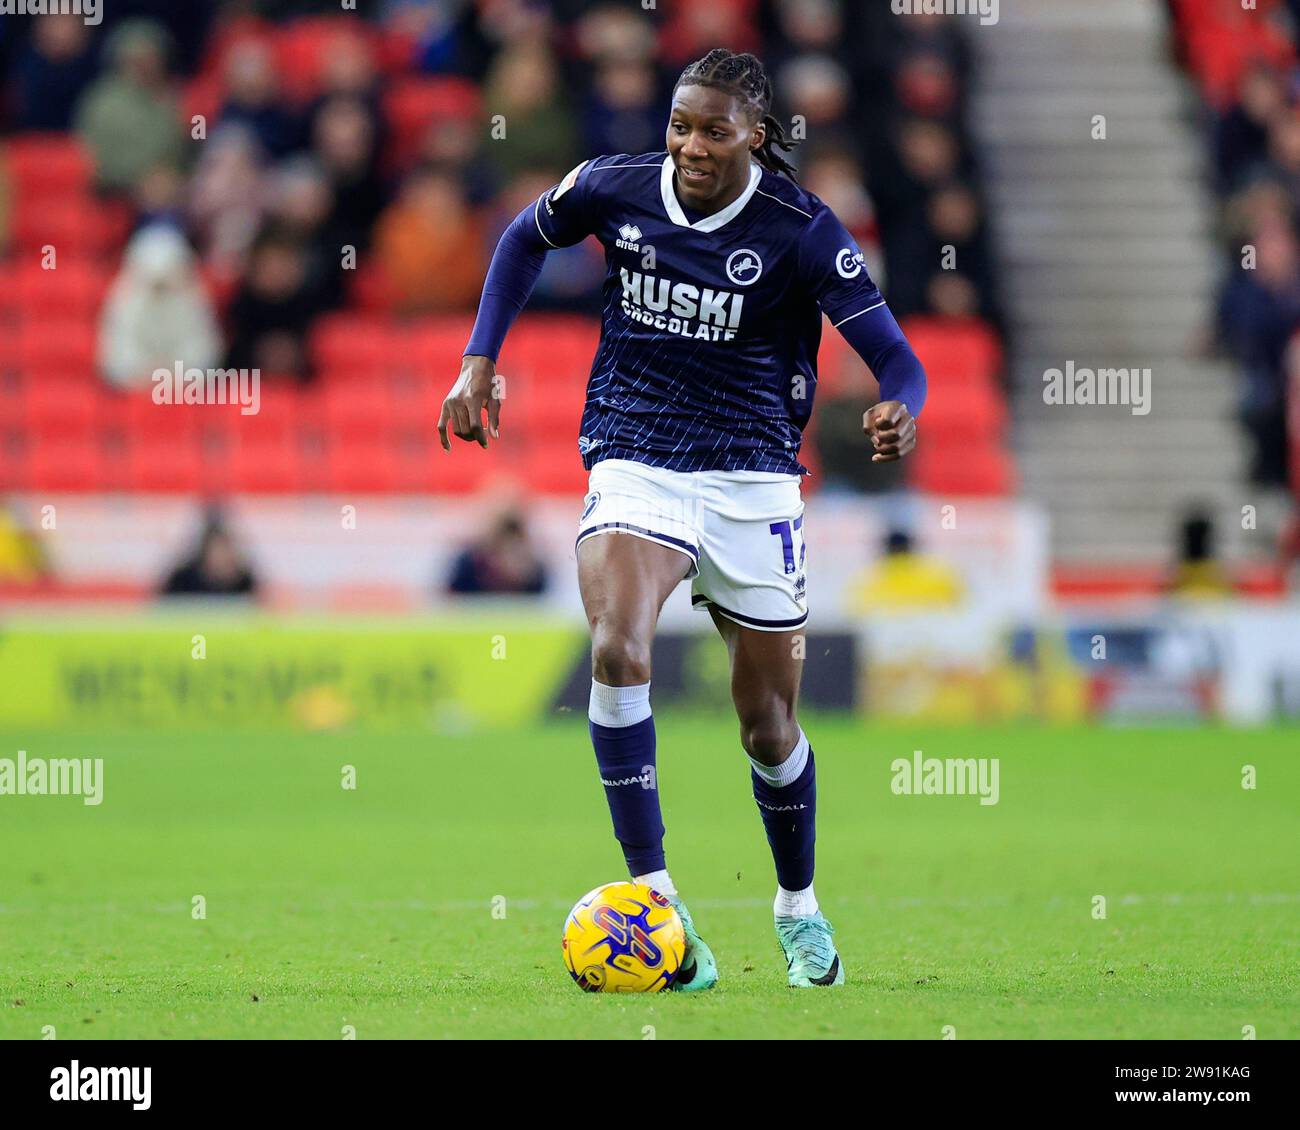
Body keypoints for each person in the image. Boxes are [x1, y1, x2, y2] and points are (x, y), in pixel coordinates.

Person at [439, 49, 926, 991]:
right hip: (637, 456)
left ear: (757, 135)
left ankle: (797, 906)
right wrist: (478, 359)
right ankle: (657, 902)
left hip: (752, 481)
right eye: (679, 125)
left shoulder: (803, 231)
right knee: (619, 651)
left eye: (713, 130)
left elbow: (895, 356)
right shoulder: (616, 188)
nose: (691, 146)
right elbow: (519, 240)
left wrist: (899, 404)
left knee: (767, 725)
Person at [161, 511, 259, 598]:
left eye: (224, 550)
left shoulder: (243, 580)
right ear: (205, 552)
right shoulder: (182, 579)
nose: (221, 557)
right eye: (216, 550)